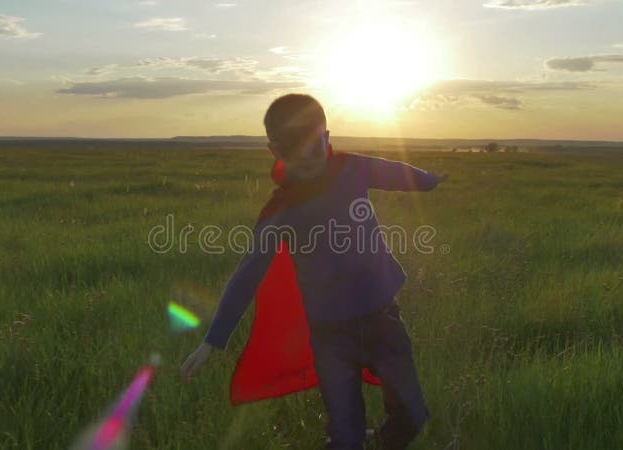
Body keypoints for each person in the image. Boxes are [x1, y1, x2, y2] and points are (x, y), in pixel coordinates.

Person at [180, 93, 448, 449]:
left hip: (383, 321)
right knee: (344, 435)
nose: (308, 158)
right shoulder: (282, 208)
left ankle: (381, 441)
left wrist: (429, 179)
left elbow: (394, 172)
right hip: (331, 336)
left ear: (327, 136)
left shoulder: (351, 168)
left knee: (413, 415)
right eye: (295, 149)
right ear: (275, 152)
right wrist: (213, 340)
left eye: (314, 144)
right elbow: (248, 274)